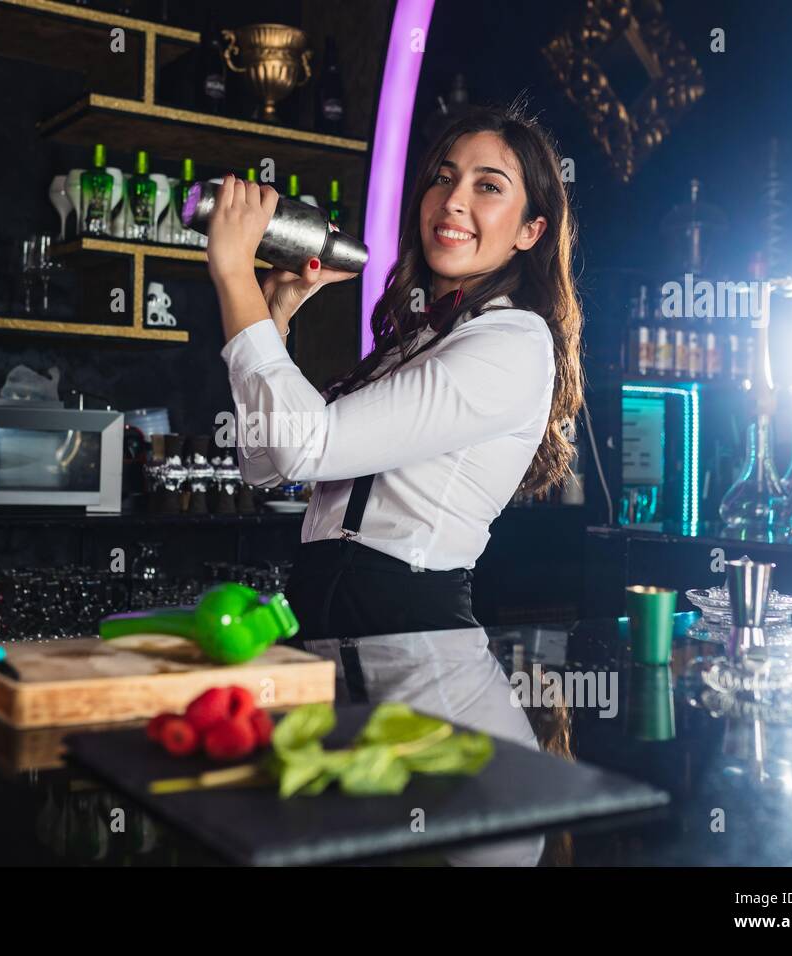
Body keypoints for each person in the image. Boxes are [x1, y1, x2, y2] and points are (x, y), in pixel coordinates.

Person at [207, 102, 583, 756]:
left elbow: (305, 447)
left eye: (487, 186)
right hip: (319, 610)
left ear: (531, 230)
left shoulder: (513, 342)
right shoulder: (414, 340)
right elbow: (264, 464)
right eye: (442, 177)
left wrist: (234, 274)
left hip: (414, 627)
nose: (452, 199)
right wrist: (275, 317)